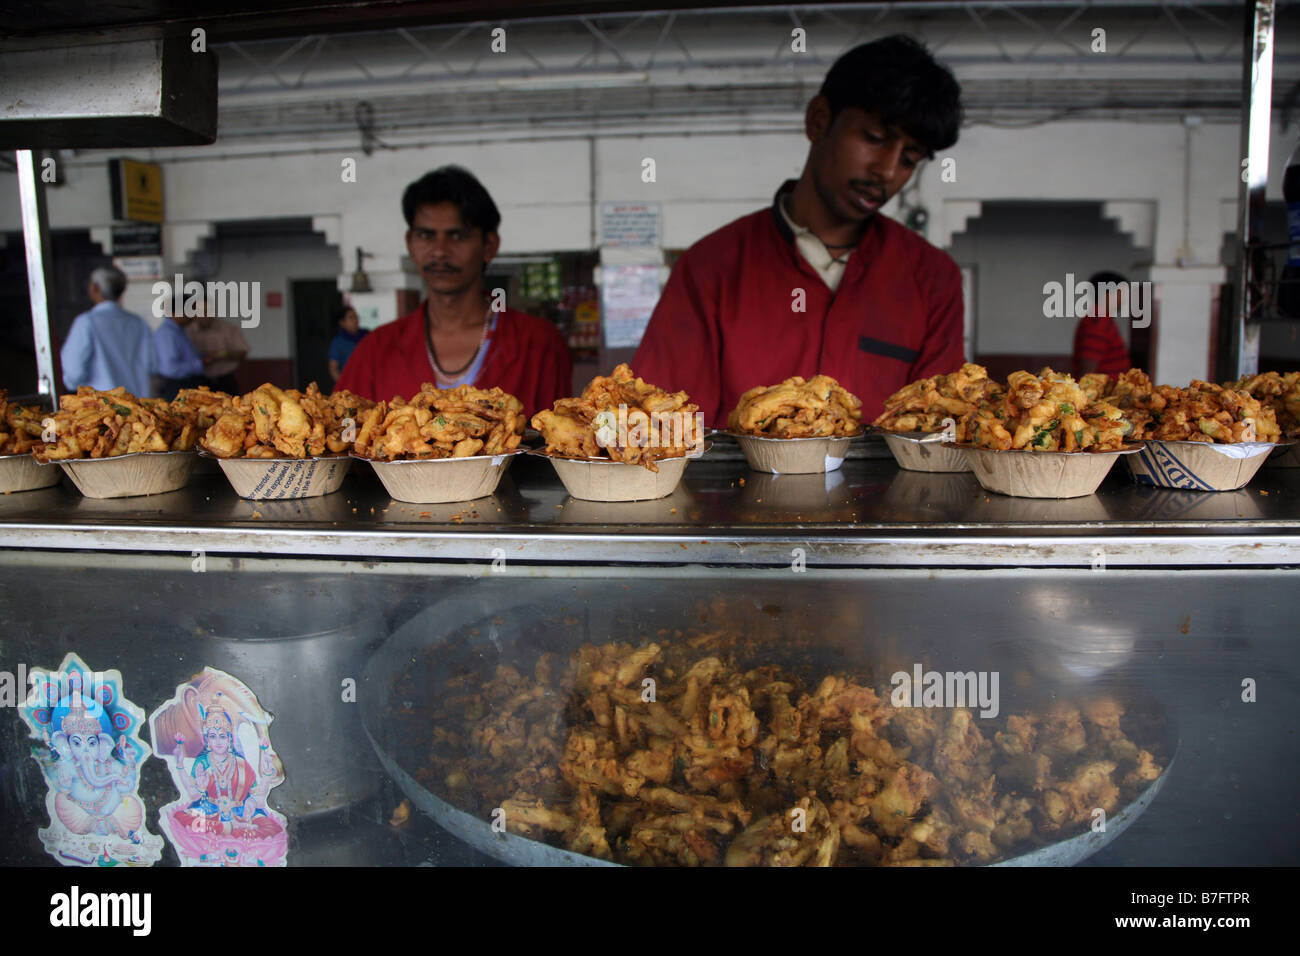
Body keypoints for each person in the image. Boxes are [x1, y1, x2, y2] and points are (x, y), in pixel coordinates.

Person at [633, 35, 964, 426]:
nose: (887, 172)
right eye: (874, 139)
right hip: (738, 489)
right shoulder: (710, 268)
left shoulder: (932, 280)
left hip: (889, 491)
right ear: (818, 120)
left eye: (910, 159)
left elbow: (939, 426)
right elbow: (661, 422)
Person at [335, 166, 571, 417]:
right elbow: (340, 438)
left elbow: (561, 445)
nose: (439, 251)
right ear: (410, 244)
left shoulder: (539, 344)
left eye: (457, 235)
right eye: (426, 235)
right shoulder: (375, 351)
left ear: (489, 245)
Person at [60, 266, 154, 397]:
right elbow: (152, 364)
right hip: (137, 405)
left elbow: (73, 372)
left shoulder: (87, 322)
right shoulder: (138, 323)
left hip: (103, 408)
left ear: (95, 288)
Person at [1072, 271, 1132, 378]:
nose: (1124, 299)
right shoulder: (1098, 322)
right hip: (1101, 393)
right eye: (1122, 293)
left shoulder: (1099, 318)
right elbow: (1087, 370)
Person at [186, 308, 249, 394]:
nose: (204, 316)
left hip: (225, 380)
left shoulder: (228, 328)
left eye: (207, 312)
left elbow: (242, 352)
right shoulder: (186, 330)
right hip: (197, 381)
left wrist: (221, 355)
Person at [152, 309, 207, 401]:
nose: (193, 316)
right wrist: (200, 364)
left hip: (188, 383)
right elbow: (170, 369)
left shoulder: (178, 330)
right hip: (178, 385)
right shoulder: (167, 333)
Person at [327, 306, 367, 383]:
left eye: (356, 317)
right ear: (342, 322)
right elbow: (333, 368)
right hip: (350, 383)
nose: (355, 320)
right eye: (351, 318)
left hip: (368, 381)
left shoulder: (366, 336)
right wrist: (343, 386)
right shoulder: (338, 342)